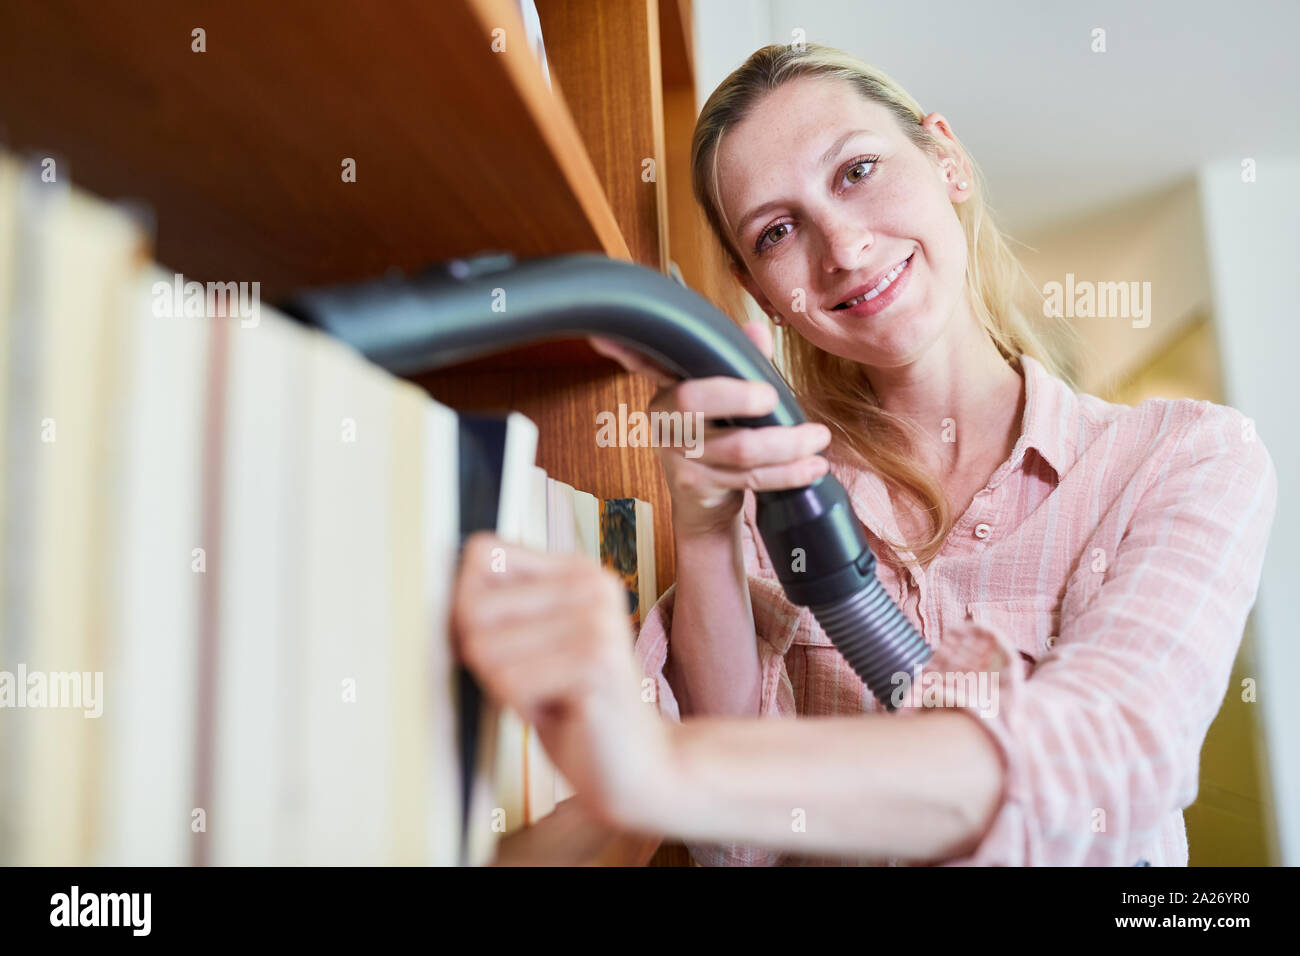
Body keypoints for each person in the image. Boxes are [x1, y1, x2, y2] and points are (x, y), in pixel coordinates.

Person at [453, 43, 1277, 866]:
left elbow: (1114, 756)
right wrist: (704, 530)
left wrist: (658, 766)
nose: (842, 249)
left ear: (946, 158)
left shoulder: (1183, 459)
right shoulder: (768, 487)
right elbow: (731, 843)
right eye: (777, 231)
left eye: (856, 171)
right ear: (756, 287)